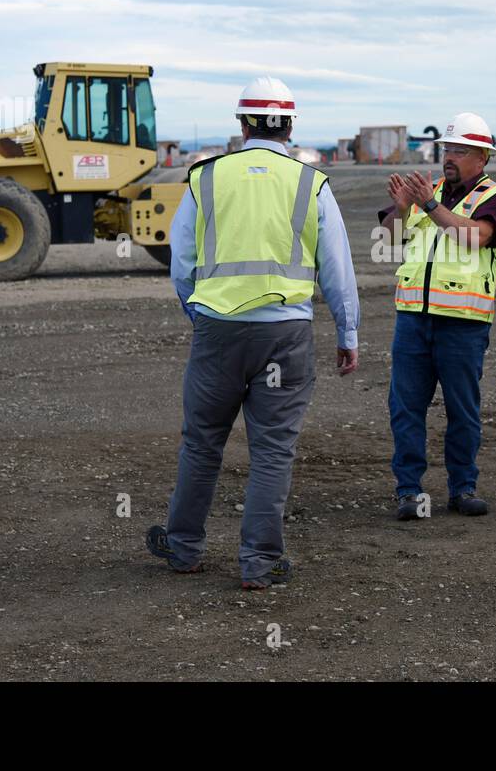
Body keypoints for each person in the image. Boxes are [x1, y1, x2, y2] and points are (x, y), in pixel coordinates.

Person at [146, 76, 360, 588]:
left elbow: (182, 263)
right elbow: (338, 270)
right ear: (289, 125)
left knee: (201, 445)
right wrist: (347, 334)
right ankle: (259, 564)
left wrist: (200, 313)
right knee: (272, 451)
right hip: (286, 338)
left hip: (218, 332)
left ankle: (183, 549)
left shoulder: (206, 178)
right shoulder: (312, 184)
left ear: (242, 124)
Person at [378, 113, 496, 520]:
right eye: (447, 150)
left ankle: (463, 487)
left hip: (463, 322)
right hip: (413, 320)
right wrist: (400, 209)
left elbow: (475, 236)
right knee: (405, 408)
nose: (449, 157)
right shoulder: (426, 193)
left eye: (459, 150)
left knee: (462, 409)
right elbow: (386, 241)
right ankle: (408, 491)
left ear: (483, 157)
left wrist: (430, 206)